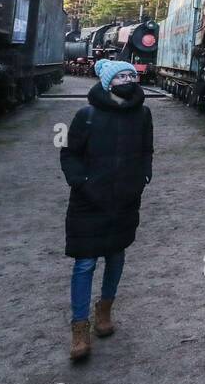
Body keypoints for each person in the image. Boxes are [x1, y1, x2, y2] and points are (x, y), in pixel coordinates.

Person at [59, 60, 153, 361]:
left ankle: (104, 311)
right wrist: (81, 182)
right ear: (107, 82)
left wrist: (143, 177)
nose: (128, 79)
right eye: (121, 75)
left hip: (125, 198)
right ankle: (79, 328)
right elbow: (69, 153)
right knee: (85, 263)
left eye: (131, 75)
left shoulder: (143, 113)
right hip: (89, 200)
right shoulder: (86, 115)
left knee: (115, 256)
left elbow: (146, 150)